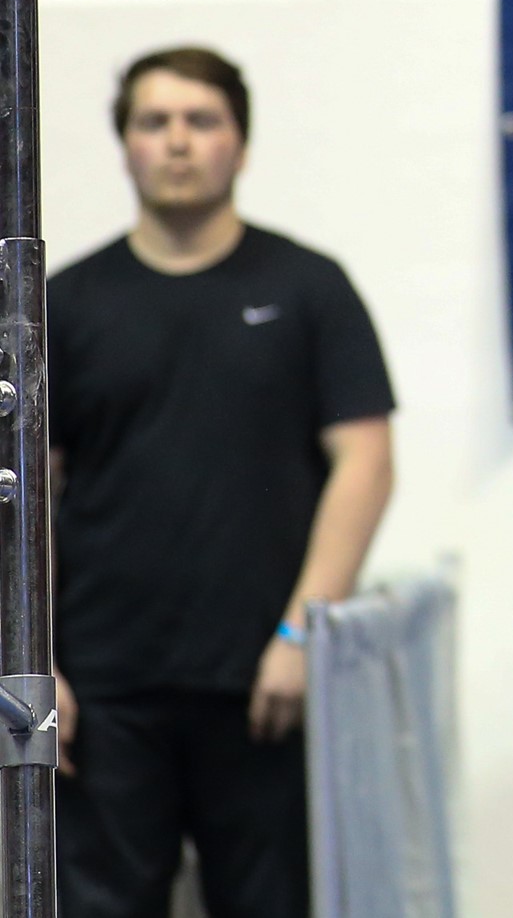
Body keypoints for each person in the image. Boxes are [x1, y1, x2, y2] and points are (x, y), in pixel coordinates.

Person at [50, 47, 396, 918]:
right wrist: (31, 658)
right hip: (103, 693)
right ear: (124, 145)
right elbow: (24, 495)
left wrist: (299, 633)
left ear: (240, 145)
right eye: (153, 122)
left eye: (201, 121)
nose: (177, 142)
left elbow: (366, 461)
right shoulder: (64, 305)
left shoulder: (309, 289)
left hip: (263, 687)